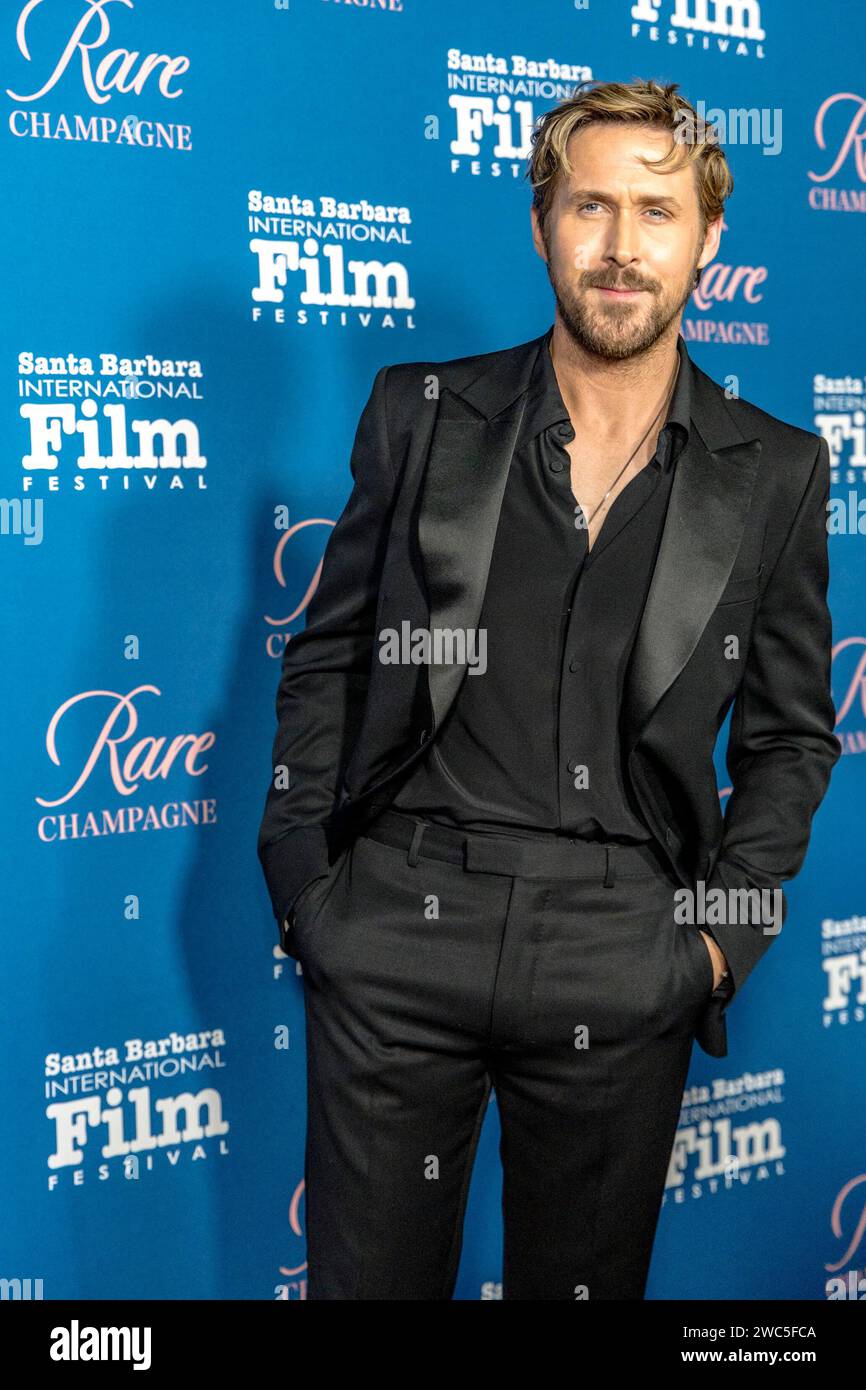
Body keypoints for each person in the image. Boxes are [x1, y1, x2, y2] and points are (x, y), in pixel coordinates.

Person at [257, 79, 840, 1299]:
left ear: (707, 240)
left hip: (622, 947)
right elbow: (329, 653)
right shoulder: (422, 416)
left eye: (656, 211)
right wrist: (312, 888)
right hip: (397, 927)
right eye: (589, 207)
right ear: (540, 224)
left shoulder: (776, 470)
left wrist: (713, 947)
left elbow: (791, 738)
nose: (621, 248)